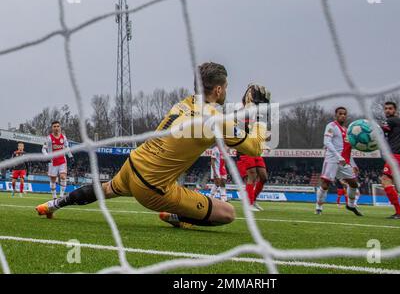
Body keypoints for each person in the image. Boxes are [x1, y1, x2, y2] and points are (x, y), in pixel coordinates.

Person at [36, 62, 270, 229]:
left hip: (134, 164)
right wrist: (258, 113)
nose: (226, 91)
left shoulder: (184, 104)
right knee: (227, 214)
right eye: (225, 87)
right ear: (218, 89)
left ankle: (54, 204)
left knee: (105, 189)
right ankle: (177, 216)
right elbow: (255, 147)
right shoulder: (214, 119)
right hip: (153, 187)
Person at [316, 107, 362, 216]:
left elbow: (347, 150)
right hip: (332, 159)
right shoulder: (331, 126)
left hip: (344, 161)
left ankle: (350, 205)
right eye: (340, 114)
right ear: (336, 115)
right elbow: (327, 142)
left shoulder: (347, 131)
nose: (343, 116)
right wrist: (338, 156)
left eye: (344, 114)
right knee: (325, 184)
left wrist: (353, 164)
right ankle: (319, 207)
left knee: (353, 184)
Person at [236, 84, 270, 211]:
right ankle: (249, 204)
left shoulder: (258, 113)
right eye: (249, 92)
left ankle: (252, 200)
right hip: (245, 149)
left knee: (264, 177)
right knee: (252, 176)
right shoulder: (241, 112)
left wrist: (263, 142)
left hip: (255, 150)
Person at [42, 121, 74, 199]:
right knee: (53, 180)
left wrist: (71, 156)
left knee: (63, 177)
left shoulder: (63, 137)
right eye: (54, 126)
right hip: (52, 161)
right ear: (52, 128)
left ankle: (61, 196)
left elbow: (67, 147)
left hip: (62, 160)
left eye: (58, 126)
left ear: (60, 127)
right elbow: (43, 149)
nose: (56, 128)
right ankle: (54, 197)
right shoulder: (49, 138)